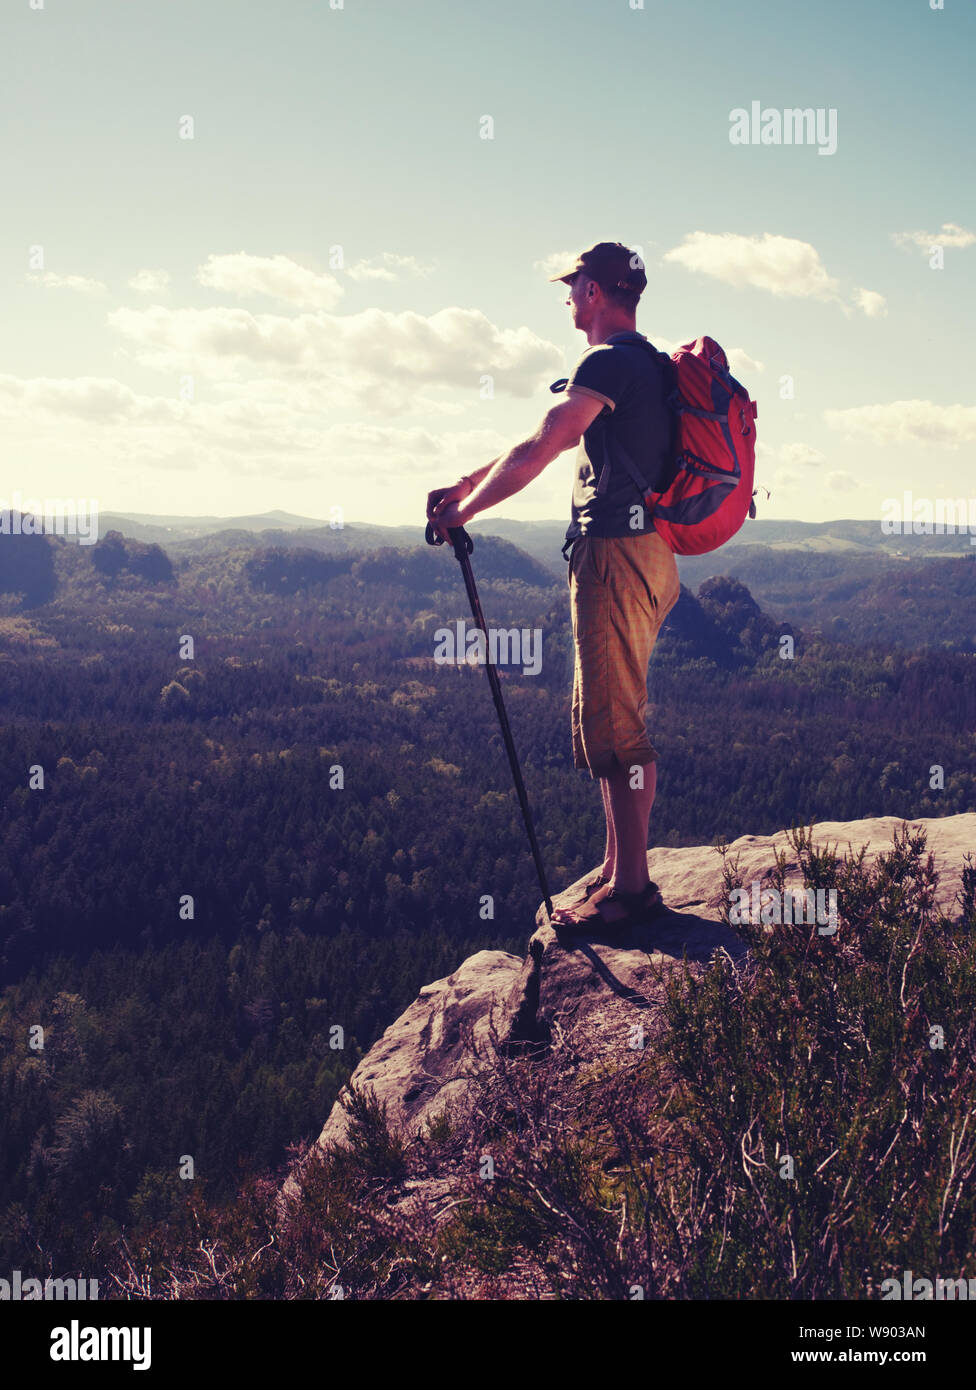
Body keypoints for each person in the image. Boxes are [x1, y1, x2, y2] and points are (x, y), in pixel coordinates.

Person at [426, 242, 679, 929]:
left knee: (615, 723)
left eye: (571, 287)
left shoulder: (605, 360)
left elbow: (545, 442)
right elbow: (549, 435)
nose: (566, 298)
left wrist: (464, 509)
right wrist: (469, 481)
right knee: (615, 711)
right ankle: (615, 865)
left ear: (595, 291)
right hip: (653, 553)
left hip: (614, 555)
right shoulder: (649, 364)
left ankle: (632, 891)